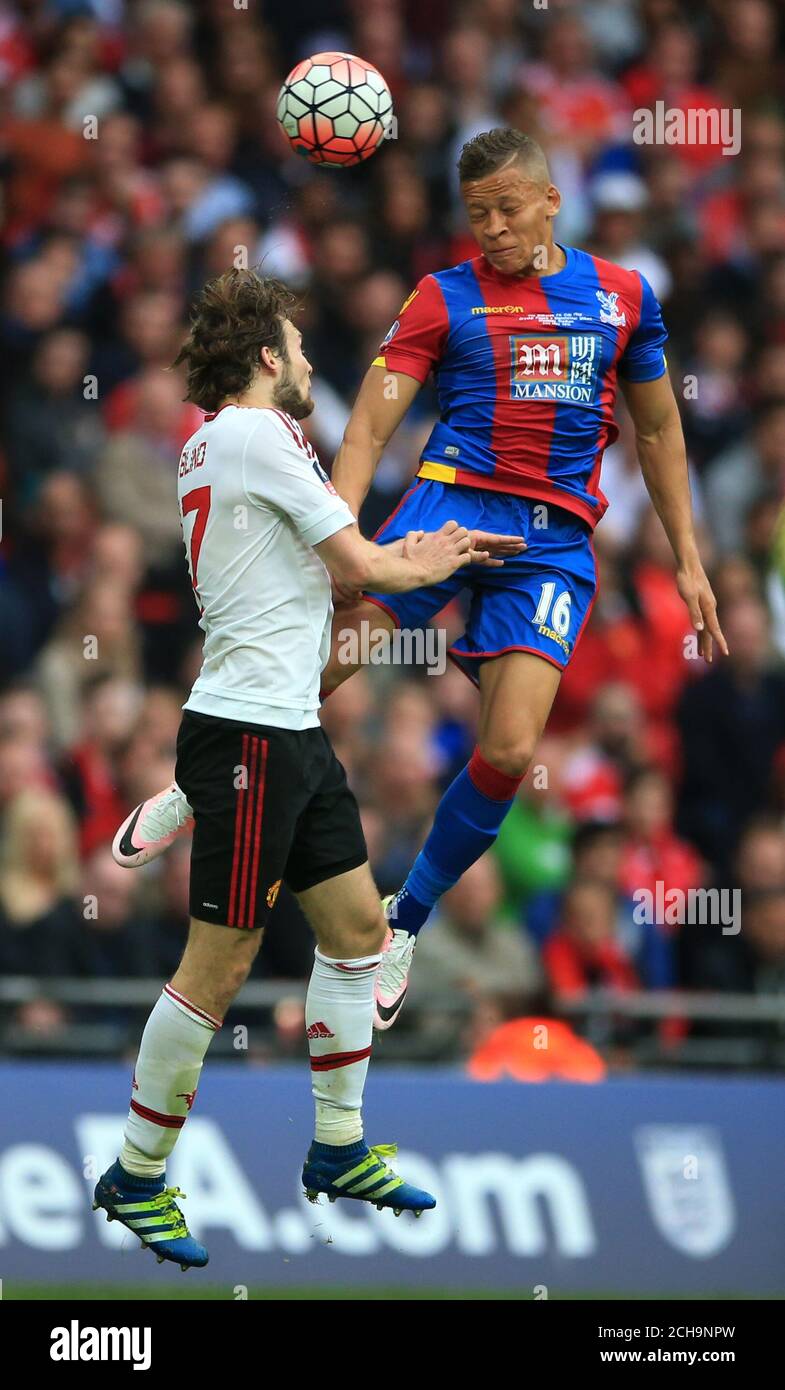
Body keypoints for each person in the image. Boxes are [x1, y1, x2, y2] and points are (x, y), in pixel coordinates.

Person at [114, 124, 727, 1035]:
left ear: (551, 202)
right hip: (448, 512)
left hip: (553, 541)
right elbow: (362, 430)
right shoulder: (442, 298)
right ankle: (195, 788)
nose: (491, 228)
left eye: (507, 209)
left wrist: (686, 556)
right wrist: (344, 545)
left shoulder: (622, 296)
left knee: (514, 750)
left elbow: (659, 432)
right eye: (476, 213)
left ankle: (404, 919)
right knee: (317, 669)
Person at [95, 267, 511, 1271]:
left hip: (283, 728)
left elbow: (340, 563)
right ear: (264, 359)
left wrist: (424, 555)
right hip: (248, 736)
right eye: (298, 345)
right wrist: (444, 556)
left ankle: (335, 1147)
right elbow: (359, 567)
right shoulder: (257, 433)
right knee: (219, 967)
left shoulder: (214, 443)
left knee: (359, 929)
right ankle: (137, 1172)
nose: (312, 362)